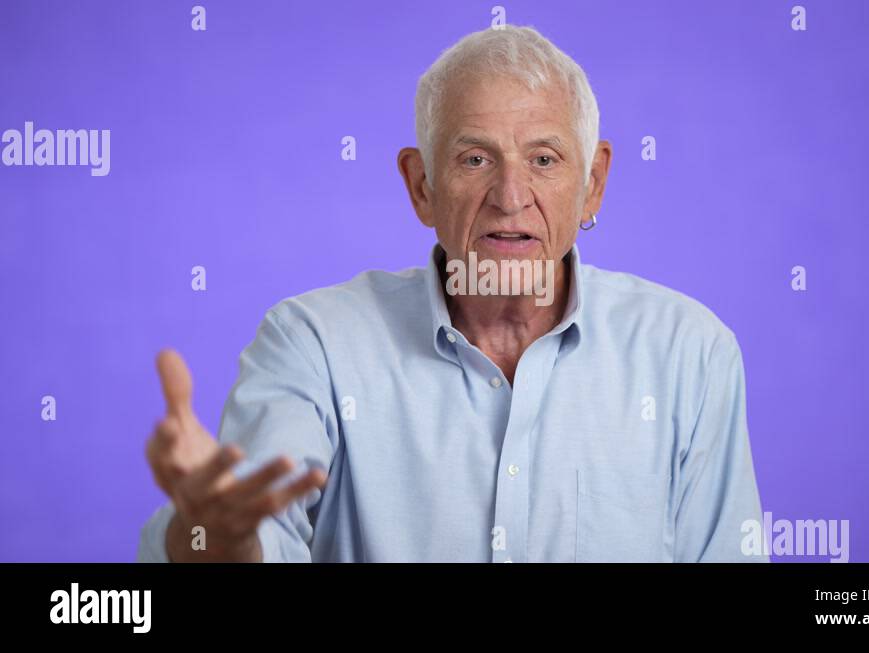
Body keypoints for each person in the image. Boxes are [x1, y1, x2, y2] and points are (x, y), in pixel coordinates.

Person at [138, 24, 768, 563]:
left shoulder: (691, 353)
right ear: (421, 186)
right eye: (474, 159)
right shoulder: (313, 344)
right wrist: (210, 538)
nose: (510, 196)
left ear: (594, 183)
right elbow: (245, 537)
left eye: (545, 160)